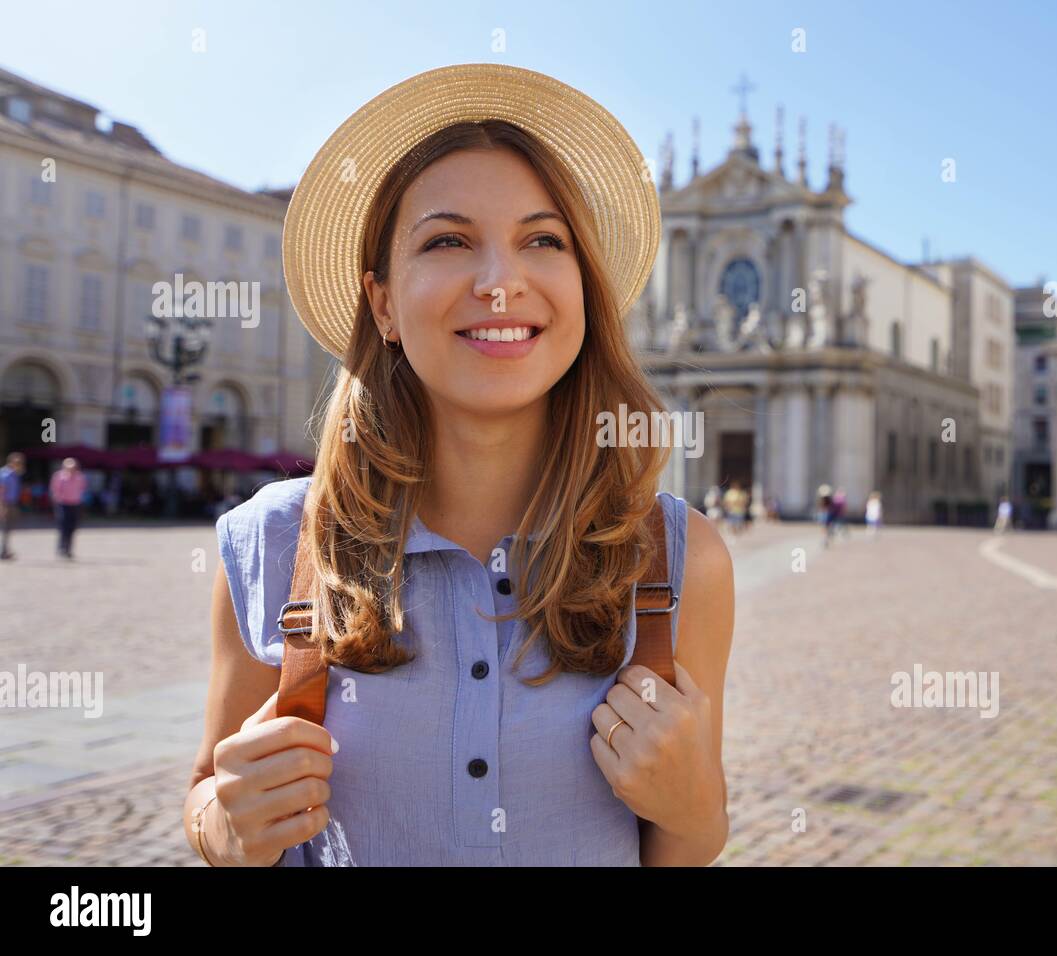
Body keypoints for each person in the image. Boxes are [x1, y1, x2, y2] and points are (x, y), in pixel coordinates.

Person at [185, 65, 734, 868]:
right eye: (448, 241)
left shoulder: (685, 561)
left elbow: (686, 844)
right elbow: (206, 788)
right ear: (381, 302)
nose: (500, 283)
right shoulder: (271, 541)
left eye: (543, 241)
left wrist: (695, 809)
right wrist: (222, 827)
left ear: (584, 287)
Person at [50, 457, 87, 559]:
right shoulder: (59, 476)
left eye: (74, 467)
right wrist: (57, 500)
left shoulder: (80, 477)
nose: (72, 469)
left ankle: (69, 549)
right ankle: (62, 547)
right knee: (63, 527)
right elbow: (55, 490)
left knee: (72, 528)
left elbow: (82, 489)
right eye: (69, 467)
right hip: (63, 504)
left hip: (75, 504)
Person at [0, 452, 25, 560]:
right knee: (5, 528)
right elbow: (1, 491)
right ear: (11, 462)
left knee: (8, 529)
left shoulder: (14, 474)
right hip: (5, 504)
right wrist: (2, 506)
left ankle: (5, 550)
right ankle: (3, 552)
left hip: (11, 503)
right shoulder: (5, 474)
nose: (20, 465)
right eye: (18, 463)